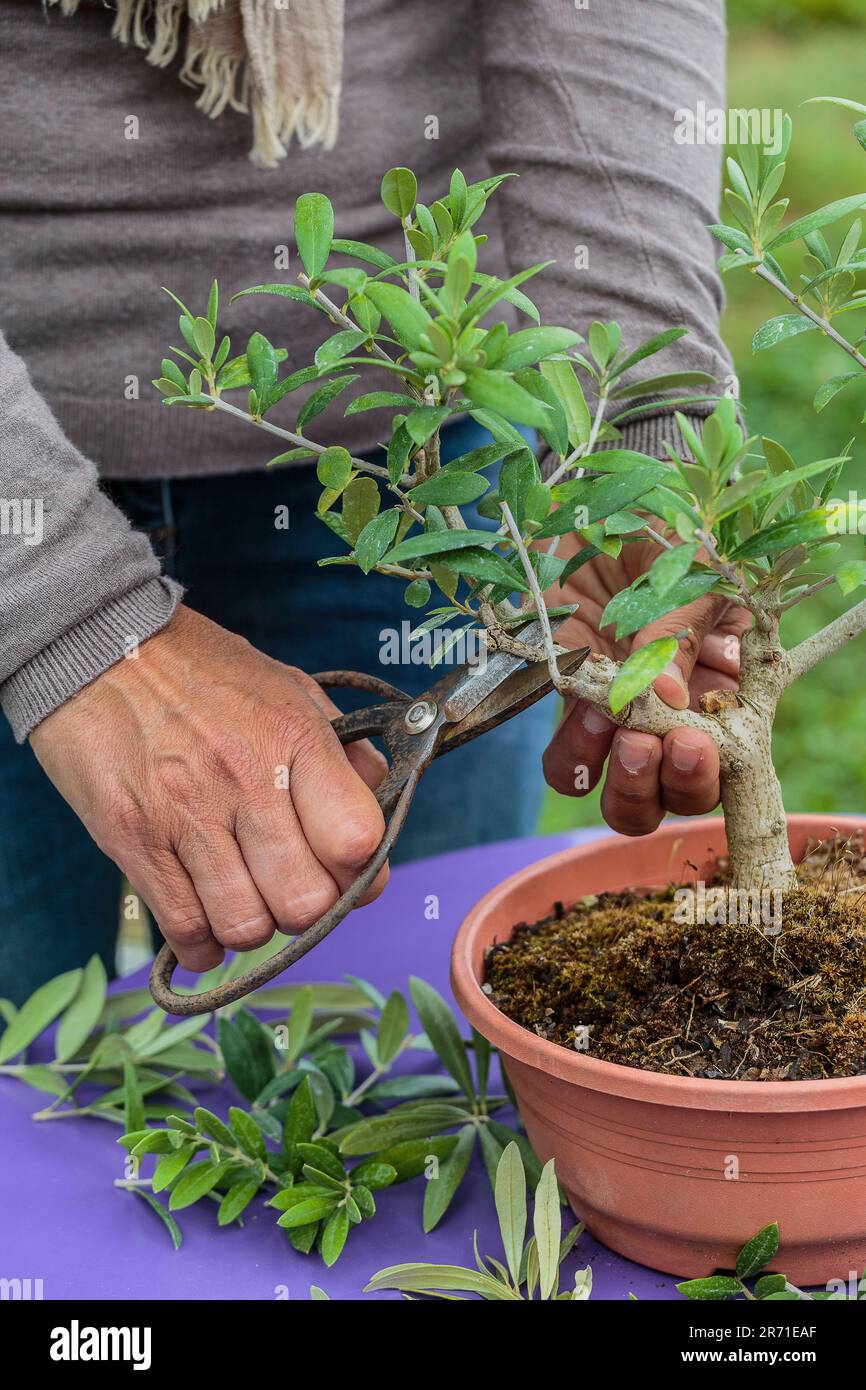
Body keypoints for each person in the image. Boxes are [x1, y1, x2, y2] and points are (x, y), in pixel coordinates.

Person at [0, 0, 739, 1002]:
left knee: (397, 1036)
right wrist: (64, 619)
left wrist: (648, 436)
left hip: (416, 466)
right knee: (20, 1056)